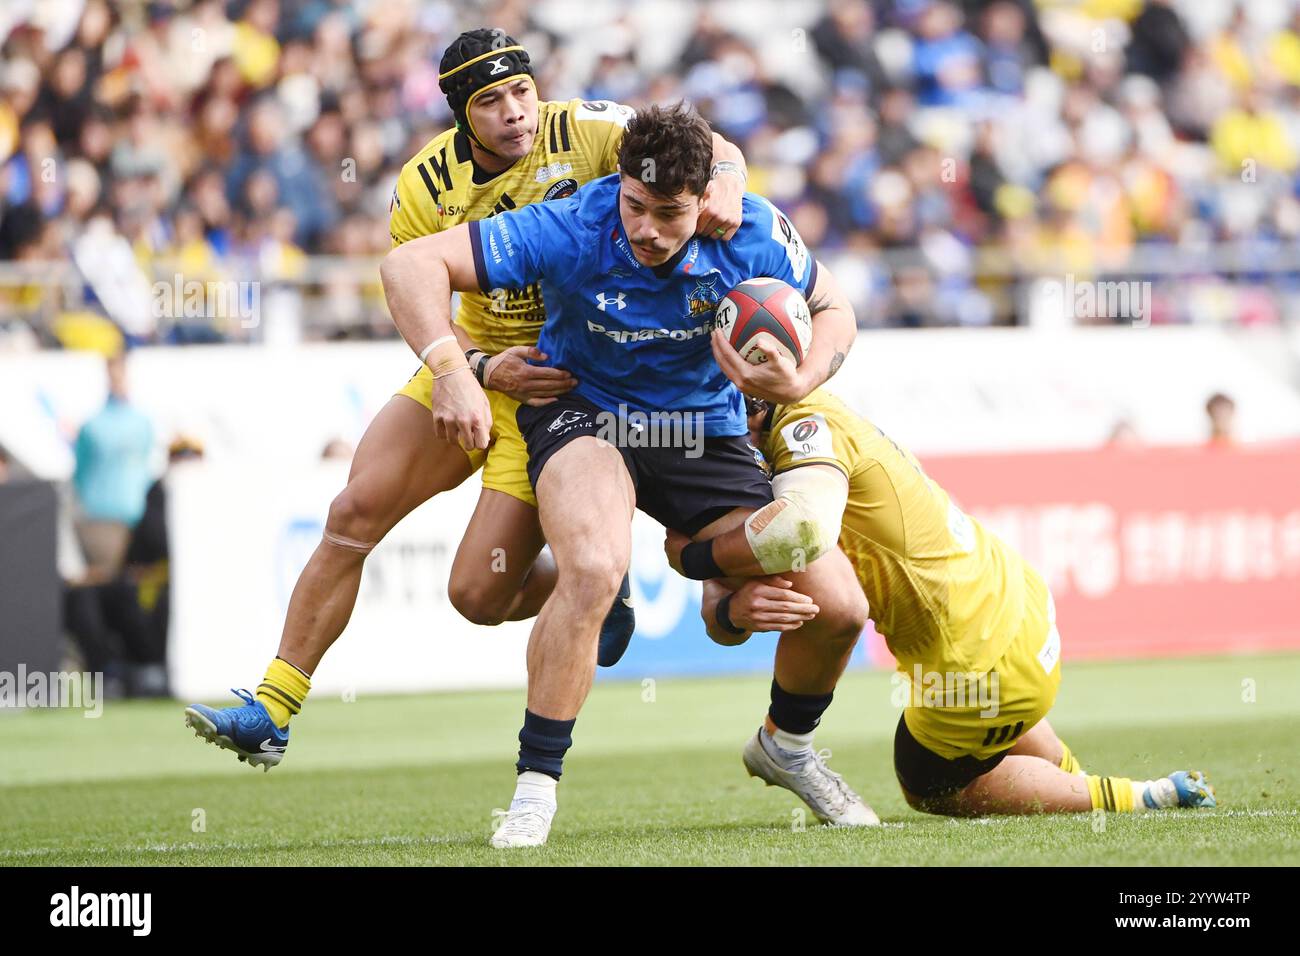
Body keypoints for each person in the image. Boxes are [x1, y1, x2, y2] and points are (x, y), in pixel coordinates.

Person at [184, 30, 751, 768]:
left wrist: (729, 178)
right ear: (460, 112)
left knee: (477, 597)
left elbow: (703, 145)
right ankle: (274, 707)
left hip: (561, 384)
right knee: (353, 511)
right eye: (490, 101)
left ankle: (589, 581)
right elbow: (412, 290)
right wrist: (473, 367)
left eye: (522, 90)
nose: (516, 112)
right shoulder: (423, 186)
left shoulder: (588, 128)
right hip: (472, 362)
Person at [379, 102, 870, 848]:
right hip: (586, 411)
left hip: (700, 428)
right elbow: (408, 264)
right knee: (593, 565)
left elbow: (834, 305)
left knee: (837, 607)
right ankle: (535, 790)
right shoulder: (577, 223)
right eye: (634, 205)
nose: (644, 228)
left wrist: (801, 380)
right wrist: (455, 370)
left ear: (706, 197)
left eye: (667, 213)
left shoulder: (753, 231)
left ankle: (785, 744)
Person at [667, 388, 1217, 818]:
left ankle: (1138, 796)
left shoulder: (800, 442)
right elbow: (729, 591)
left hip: (972, 658)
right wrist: (727, 609)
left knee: (929, 787)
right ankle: (1070, 786)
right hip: (1013, 602)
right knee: (987, 725)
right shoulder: (815, 409)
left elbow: (789, 535)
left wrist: (689, 559)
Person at [72, 352, 154, 583]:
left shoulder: (142, 422)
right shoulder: (92, 425)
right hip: (102, 521)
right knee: (108, 588)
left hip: (137, 520)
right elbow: (81, 472)